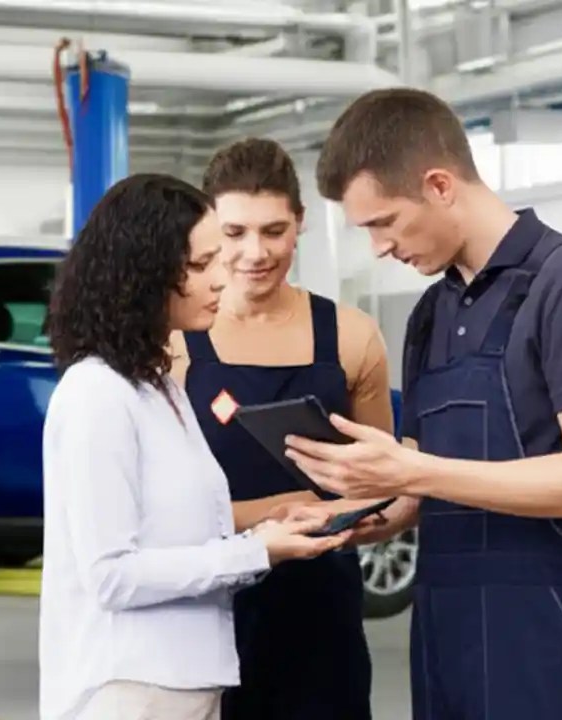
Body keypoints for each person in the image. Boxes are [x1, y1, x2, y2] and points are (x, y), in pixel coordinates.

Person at [286, 87, 562, 719]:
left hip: (548, 634)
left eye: (384, 222)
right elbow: (434, 477)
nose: (379, 248)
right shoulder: (431, 313)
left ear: (441, 185)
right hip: (446, 630)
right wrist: (377, 512)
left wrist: (415, 471)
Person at [38, 173, 350, 720]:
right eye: (200, 266)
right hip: (129, 689)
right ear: (144, 273)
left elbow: (177, 533)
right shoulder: (97, 394)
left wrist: (270, 526)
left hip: (186, 683)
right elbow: (111, 574)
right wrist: (258, 551)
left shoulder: (159, 388)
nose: (220, 282)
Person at [166, 137, 399, 720]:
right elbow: (155, 512)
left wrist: (357, 520)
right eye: (234, 233)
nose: (255, 252)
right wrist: (276, 512)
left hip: (322, 618)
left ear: (300, 224)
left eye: (274, 231)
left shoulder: (351, 336)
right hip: (206, 616)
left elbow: (390, 488)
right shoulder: (171, 344)